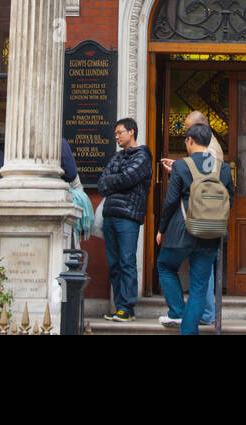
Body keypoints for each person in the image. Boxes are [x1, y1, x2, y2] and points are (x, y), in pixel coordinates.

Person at [155, 122, 233, 335]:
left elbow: (171, 201)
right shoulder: (223, 168)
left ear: (190, 141)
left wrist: (161, 229)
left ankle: (178, 311)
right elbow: (229, 199)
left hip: (182, 230)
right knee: (199, 288)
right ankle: (188, 330)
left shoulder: (181, 165)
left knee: (165, 266)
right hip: (210, 234)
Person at [96, 117, 152, 323]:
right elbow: (102, 183)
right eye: (116, 133)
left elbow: (127, 178)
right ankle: (119, 306)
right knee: (114, 263)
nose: (116, 136)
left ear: (132, 132)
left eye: (120, 132)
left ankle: (127, 308)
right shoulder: (117, 157)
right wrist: (115, 181)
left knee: (127, 261)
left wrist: (114, 181)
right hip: (110, 215)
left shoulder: (143, 155)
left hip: (128, 216)